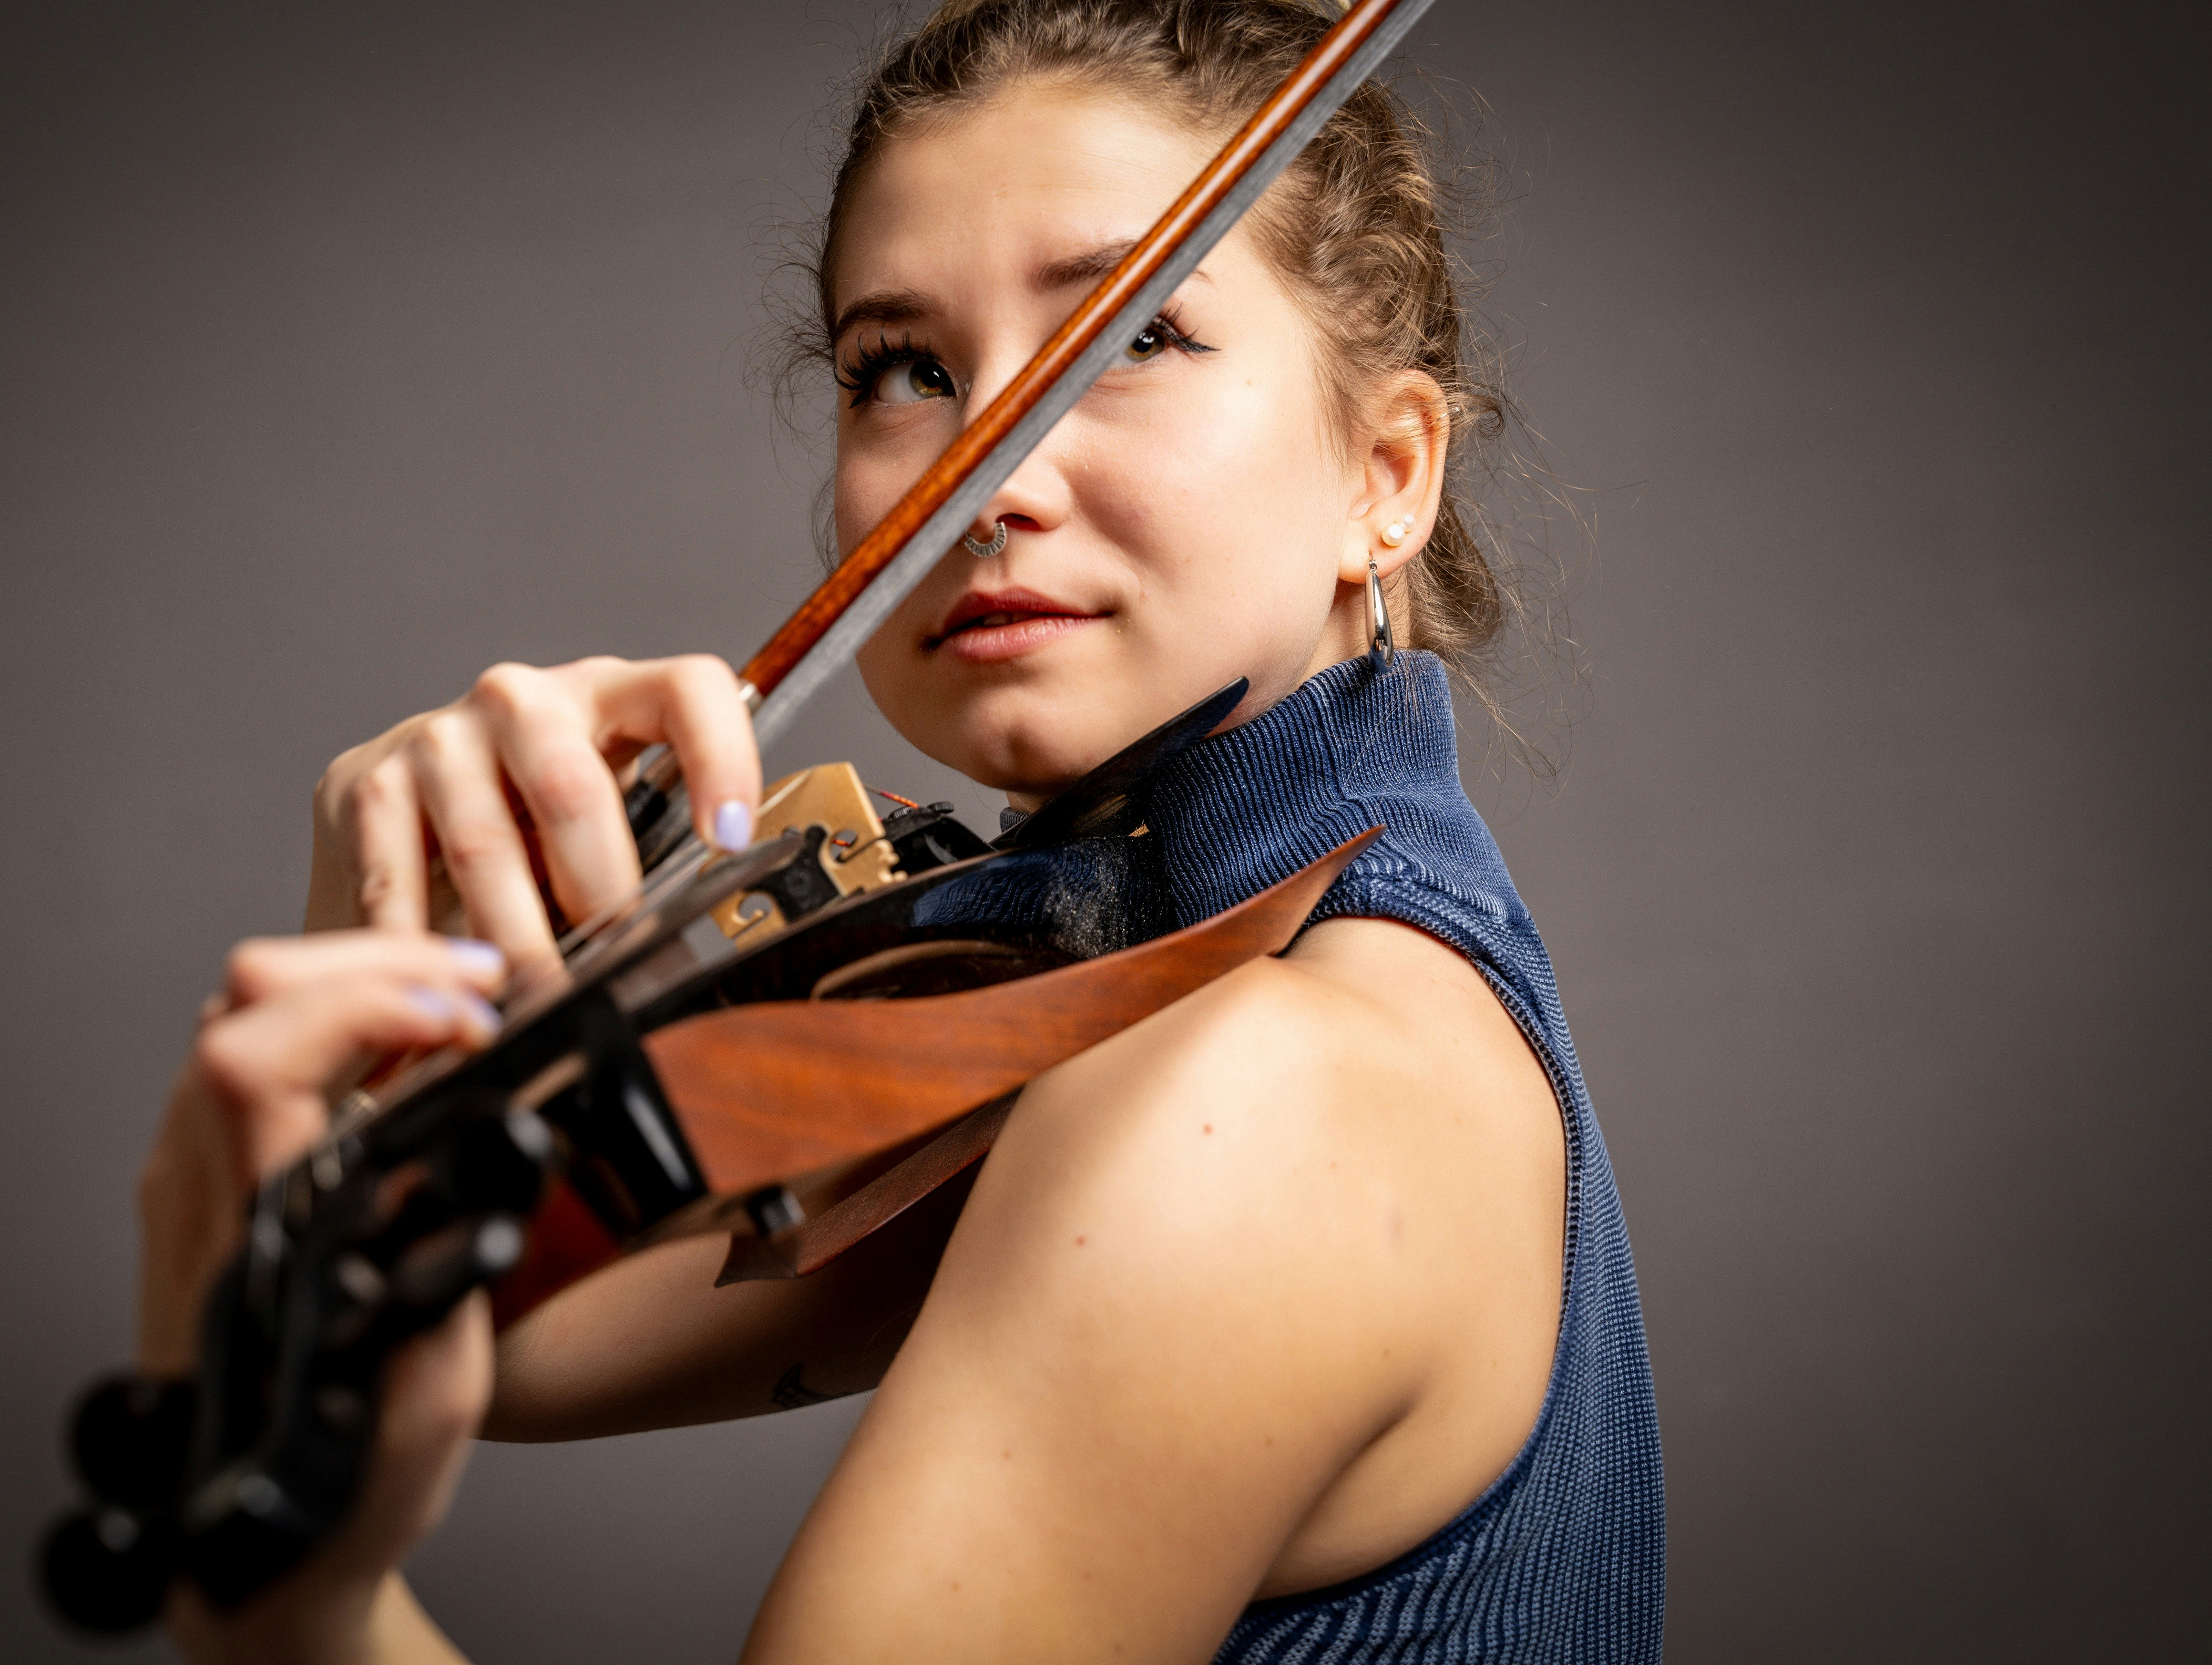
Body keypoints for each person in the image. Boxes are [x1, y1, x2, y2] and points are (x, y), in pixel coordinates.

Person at [137, 1, 1664, 1658]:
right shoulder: (1155, 982)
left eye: (1133, 336)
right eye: (906, 371)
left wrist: (294, 1613)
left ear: (1387, 474)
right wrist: (399, 960)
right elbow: (487, 1342)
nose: (985, 482)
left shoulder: (1262, 1095)